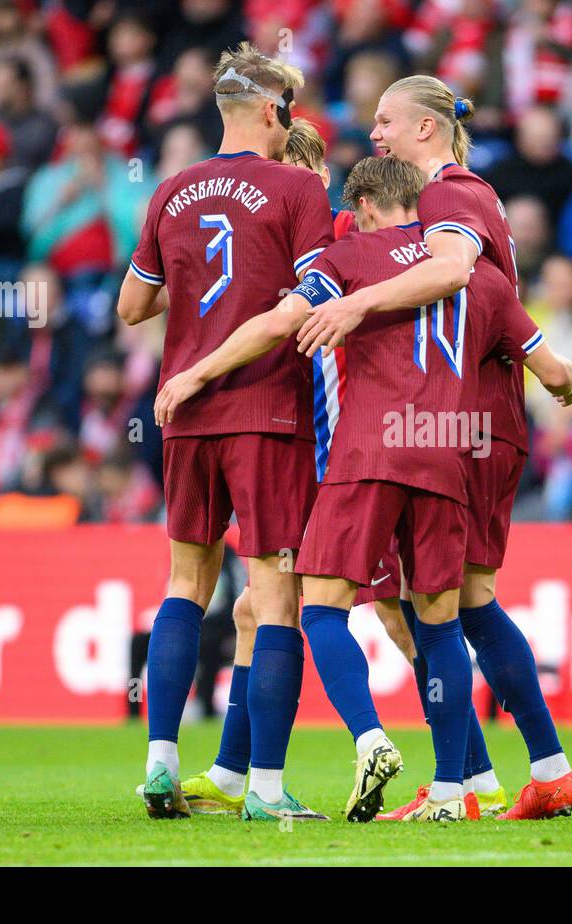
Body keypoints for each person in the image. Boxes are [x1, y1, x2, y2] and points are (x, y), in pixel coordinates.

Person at [154, 155, 572, 821]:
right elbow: (554, 370)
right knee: (438, 623)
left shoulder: (348, 258)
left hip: (369, 451)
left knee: (319, 607)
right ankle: (452, 790)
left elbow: (278, 322)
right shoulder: (481, 275)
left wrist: (195, 374)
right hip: (448, 456)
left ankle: (369, 737)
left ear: (370, 206)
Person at [295, 75, 572, 821]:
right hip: (461, 428)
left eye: (387, 121)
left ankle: (475, 781)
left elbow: (453, 271)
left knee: (450, 606)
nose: (377, 133)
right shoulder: (449, 207)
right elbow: (526, 334)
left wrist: (354, 302)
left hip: (454, 424)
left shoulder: (451, 196)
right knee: (436, 607)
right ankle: (494, 777)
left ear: (427, 128)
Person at [116, 42, 333, 822]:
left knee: (185, 584)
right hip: (267, 412)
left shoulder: (171, 190)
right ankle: (267, 791)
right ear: (273, 111)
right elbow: (310, 298)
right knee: (275, 596)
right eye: (291, 112)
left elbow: (132, 308)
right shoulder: (297, 188)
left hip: (184, 415)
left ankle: (161, 764)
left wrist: (199, 302)